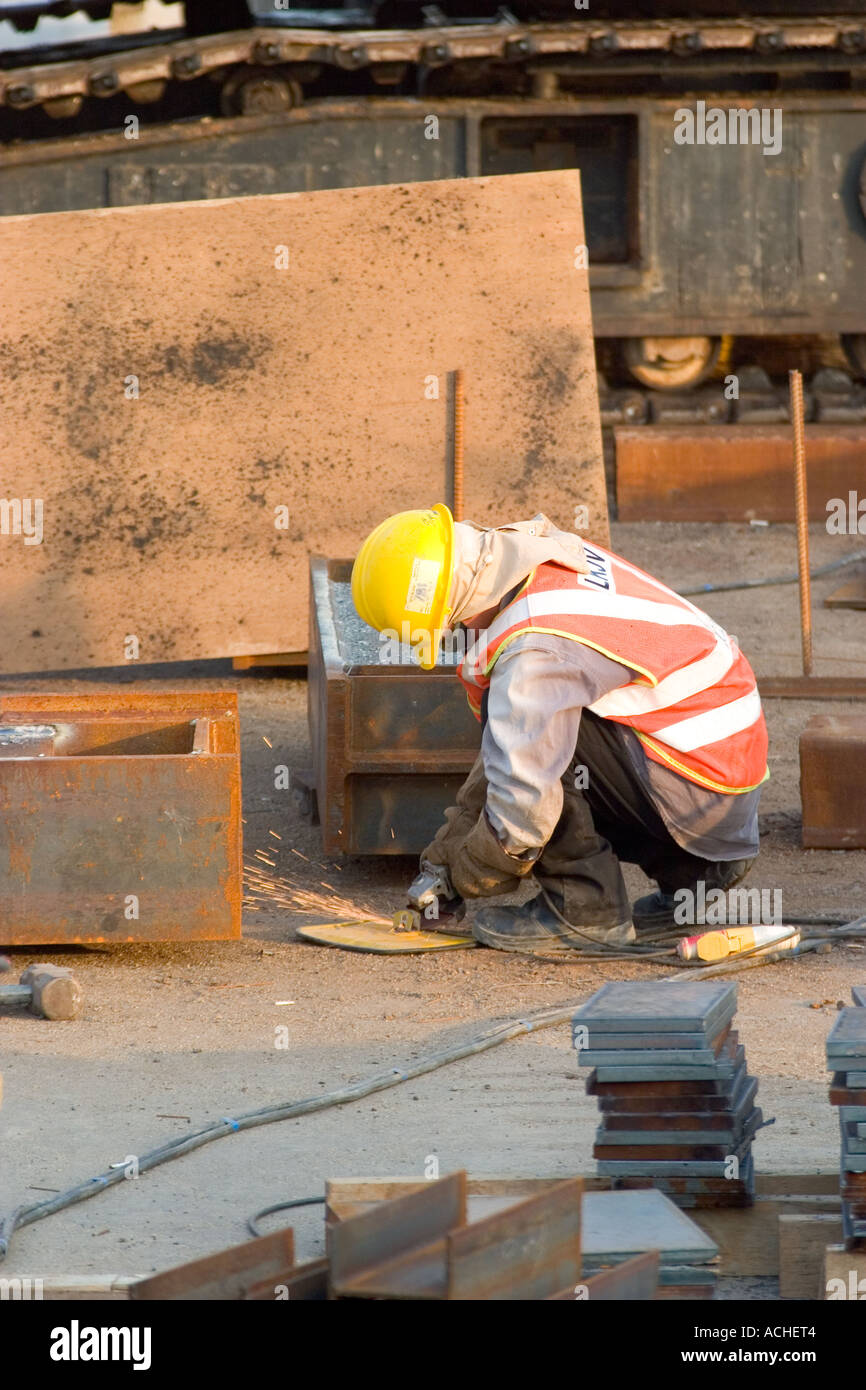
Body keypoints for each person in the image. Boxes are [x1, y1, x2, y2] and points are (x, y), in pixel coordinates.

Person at [351, 504, 768, 954]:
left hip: (699, 792)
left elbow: (522, 805)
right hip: (718, 782)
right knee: (530, 724)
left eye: (447, 626)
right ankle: (693, 875)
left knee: (533, 735)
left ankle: (585, 912)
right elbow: (505, 751)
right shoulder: (539, 553)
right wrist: (444, 857)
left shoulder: (533, 647)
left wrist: (469, 873)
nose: (458, 631)